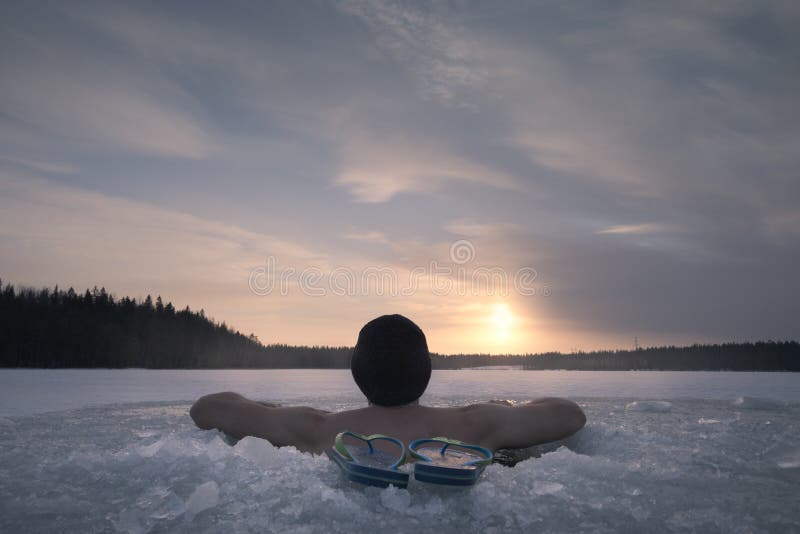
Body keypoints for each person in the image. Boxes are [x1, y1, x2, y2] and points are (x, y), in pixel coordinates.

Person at [190, 314, 586, 455]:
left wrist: (272, 410)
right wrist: (505, 408)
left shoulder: (317, 427)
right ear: (425, 371)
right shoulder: (475, 423)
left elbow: (207, 408)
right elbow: (568, 414)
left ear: (358, 372)